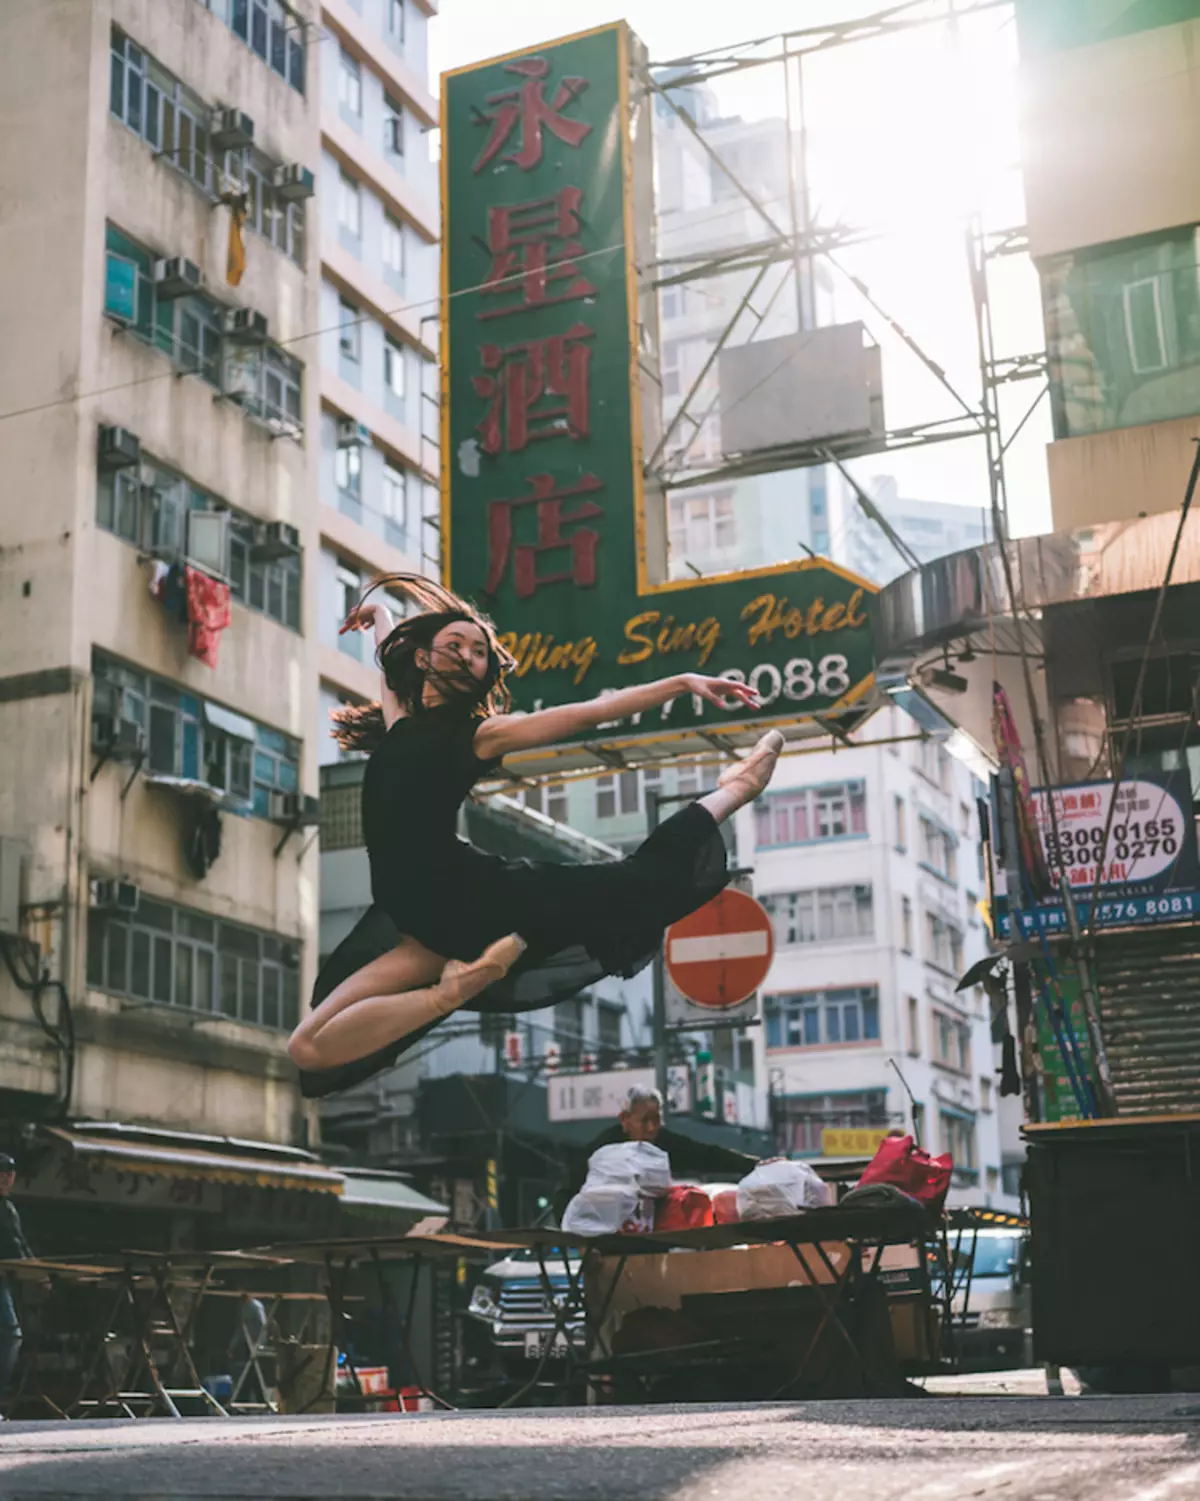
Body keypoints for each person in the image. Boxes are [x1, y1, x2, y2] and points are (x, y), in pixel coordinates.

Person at [290, 576, 786, 1097]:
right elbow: (390, 663)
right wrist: (380, 621)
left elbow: (589, 713)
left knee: (635, 880)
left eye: (479, 651)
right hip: (418, 929)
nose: (467, 656)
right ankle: (451, 991)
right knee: (308, 1049)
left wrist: (681, 682)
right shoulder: (400, 725)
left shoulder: (481, 735)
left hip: (466, 897)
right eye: (454, 646)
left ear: (487, 670)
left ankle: (735, 790)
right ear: (421, 658)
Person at [558, 1086, 760, 1212]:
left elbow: (706, 1154)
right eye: (644, 1121)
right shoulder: (604, 1148)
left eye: (656, 1120)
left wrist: (754, 1165)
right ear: (625, 1120)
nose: (652, 1128)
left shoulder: (663, 1142)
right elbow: (568, 1188)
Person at [0, 1155, 31, 1400]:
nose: (6, 1179)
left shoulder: (7, 1207)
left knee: (11, 1335)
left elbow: (19, 1243)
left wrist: (36, 1269)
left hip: (5, 1278)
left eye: (9, 1174)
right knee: (11, 1335)